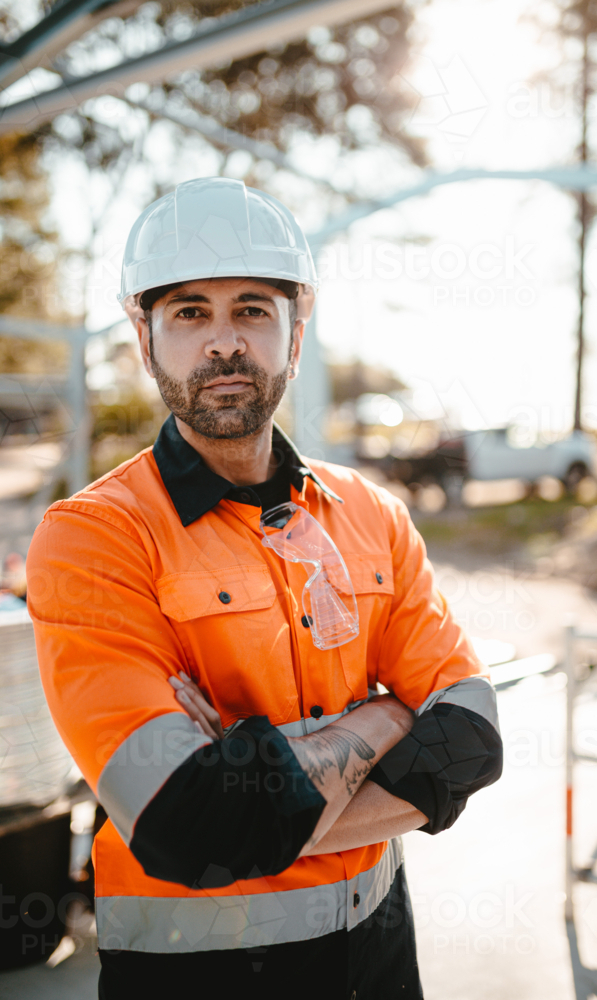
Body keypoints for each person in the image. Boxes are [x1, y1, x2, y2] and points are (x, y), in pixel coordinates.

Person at [27, 177, 502, 999]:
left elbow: (472, 736)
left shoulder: (372, 515)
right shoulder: (95, 537)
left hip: (382, 954)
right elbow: (187, 824)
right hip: (200, 973)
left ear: (294, 333)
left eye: (251, 309)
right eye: (188, 313)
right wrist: (389, 715)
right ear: (145, 340)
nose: (222, 343)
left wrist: (257, 789)